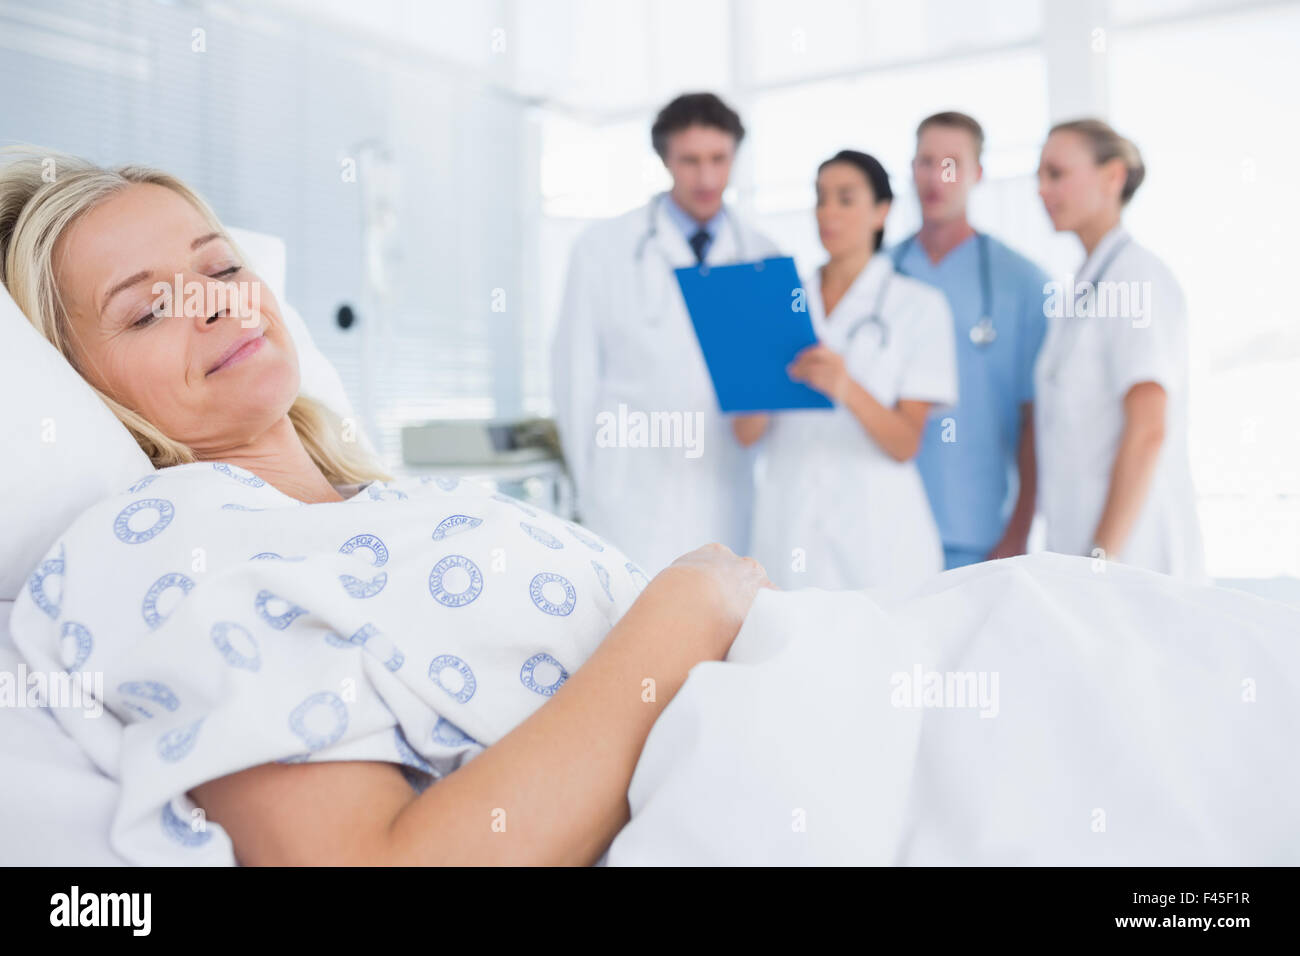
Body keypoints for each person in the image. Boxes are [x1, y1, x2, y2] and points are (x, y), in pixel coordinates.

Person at [0, 146, 773, 865]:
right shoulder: (169, 544)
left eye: (224, 266)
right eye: (147, 311)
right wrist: (689, 610)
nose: (213, 302)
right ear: (80, 388)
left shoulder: (381, 507)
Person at [550, 92, 780, 576]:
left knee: (721, 614)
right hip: (628, 491)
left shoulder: (763, 257)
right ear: (664, 160)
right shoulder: (602, 249)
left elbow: (766, 398)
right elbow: (574, 378)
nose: (707, 178)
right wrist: (593, 490)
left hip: (724, 488)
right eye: (690, 161)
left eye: (719, 159)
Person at [733, 150, 958, 591]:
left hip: (878, 536)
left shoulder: (919, 306)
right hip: (790, 522)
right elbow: (744, 433)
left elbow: (904, 444)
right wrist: (764, 380)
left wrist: (845, 387)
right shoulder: (778, 300)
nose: (827, 212)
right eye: (820, 198)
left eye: (845, 199)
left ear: (881, 211)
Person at [1034, 120, 1207, 580]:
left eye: (1056, 174)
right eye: (1040, 175)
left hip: (1130, 558)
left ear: (1112, 177)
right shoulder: (1086, 286)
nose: (1042, 189)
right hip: (1087, 555)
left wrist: (1101, 559)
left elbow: (1149, 427)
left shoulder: (1136, 278)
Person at [893, 111, 1049, 569]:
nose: (935, 178)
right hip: (884, 524)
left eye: (951, 164)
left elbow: (1036, 420)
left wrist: (1019, 530)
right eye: (926, 162)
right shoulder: (878, 276)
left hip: (978, 531)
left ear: (977, 173)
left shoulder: (1023, 283)